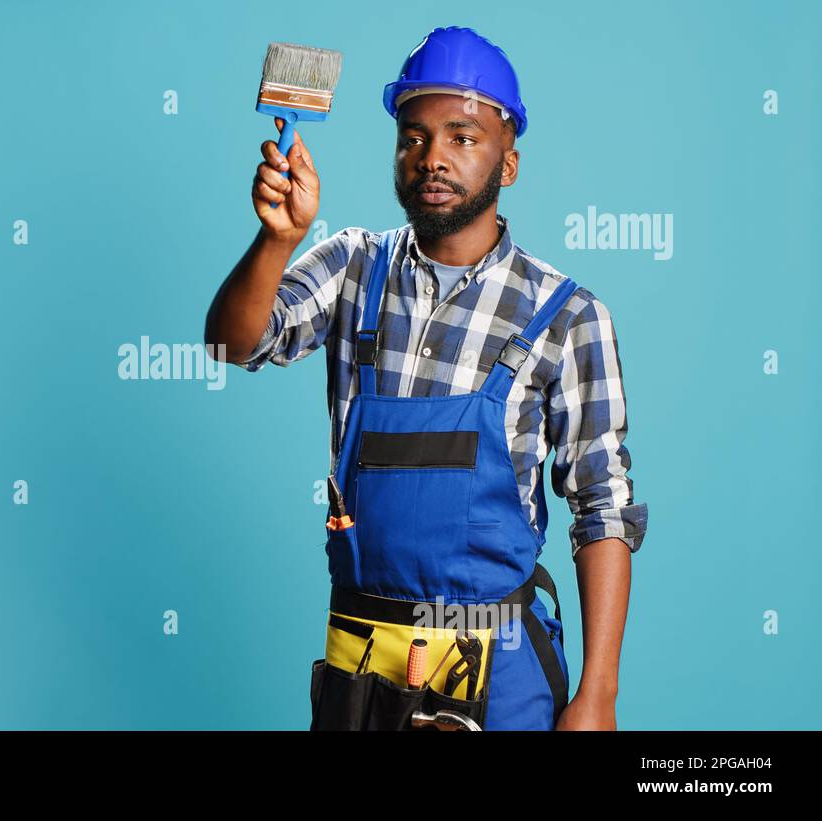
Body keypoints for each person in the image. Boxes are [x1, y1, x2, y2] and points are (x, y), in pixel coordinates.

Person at [204, 26, 648, 730]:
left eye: (463, 137)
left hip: (497, 673)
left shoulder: (567, 317)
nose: (432, 157)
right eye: (413, 136)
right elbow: (233, 342)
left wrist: (599, 694)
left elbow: (604, 509)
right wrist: (280, 237)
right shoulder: (353, 266)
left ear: (508, 163)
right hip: (362, 672)